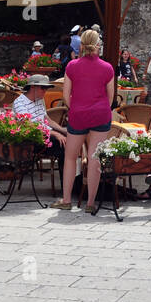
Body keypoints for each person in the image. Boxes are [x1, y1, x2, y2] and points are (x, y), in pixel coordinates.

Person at [54, 29, 115, 213]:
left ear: (81, 45)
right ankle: (90, 203)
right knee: (95, 159)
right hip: (100, 115)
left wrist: (77, 107)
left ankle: (66, 200)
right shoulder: (107, 67)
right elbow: (111, 97)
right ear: (98, 45)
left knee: (71, 157)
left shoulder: (72, 66)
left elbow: (65, 95)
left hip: (78, 115)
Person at [13, 74, 68, 167]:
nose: (45, 91)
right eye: (43, 88)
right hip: (32, 138)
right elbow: (30, 126)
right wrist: (55, 133)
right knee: (63, 146)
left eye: (46, 88)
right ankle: (67, 179)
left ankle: (74, 176)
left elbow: (48, 120)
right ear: (32, 87)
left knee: (73, 136)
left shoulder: (39, 99)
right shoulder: (20, 102)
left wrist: (63, 130)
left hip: (44, 134)